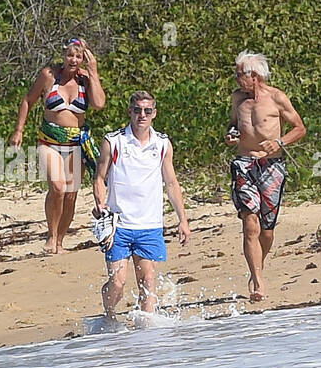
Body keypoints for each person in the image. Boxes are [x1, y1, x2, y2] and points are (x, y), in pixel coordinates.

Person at [92, 91, 192, 323]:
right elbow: (99, 178)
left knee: (147, 281)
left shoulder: (162, 143)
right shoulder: (113, 141)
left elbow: (171, 183)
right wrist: (100, 202)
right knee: (117, 282)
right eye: (137, 110)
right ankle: (108, 318)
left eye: (147, 111)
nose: (142, 115)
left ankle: (147, 334)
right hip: (119, 225)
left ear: (154, 114)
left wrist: (183, 220)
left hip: (150, 224)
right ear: (130, 112)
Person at [10, 38, 106, 254]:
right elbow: (28, 100)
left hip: (76, 142)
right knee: (58, 187)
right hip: (50, 141)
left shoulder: (85, 79)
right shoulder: (49, 75)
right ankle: (51, 237)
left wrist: (94, 72)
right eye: (70, 55)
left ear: (84, 59)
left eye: (79, 56)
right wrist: (19, 130)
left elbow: (99, 104)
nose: (73, 60)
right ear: (64, 55)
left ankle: (60, 242)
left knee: (71, 193)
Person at [225, 51, 307, 301]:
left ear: (256, 76)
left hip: (271, 165)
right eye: (237, 74)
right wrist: (230, 135)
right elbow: (231, 124)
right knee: (250, 222)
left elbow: (300, 128)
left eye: (241, 74)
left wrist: (280, 142)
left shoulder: (276, 97)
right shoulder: (237, 99)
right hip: (244, 164)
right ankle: (258, 280)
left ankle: (258, 265)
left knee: (267, 230)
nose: (238, 79)